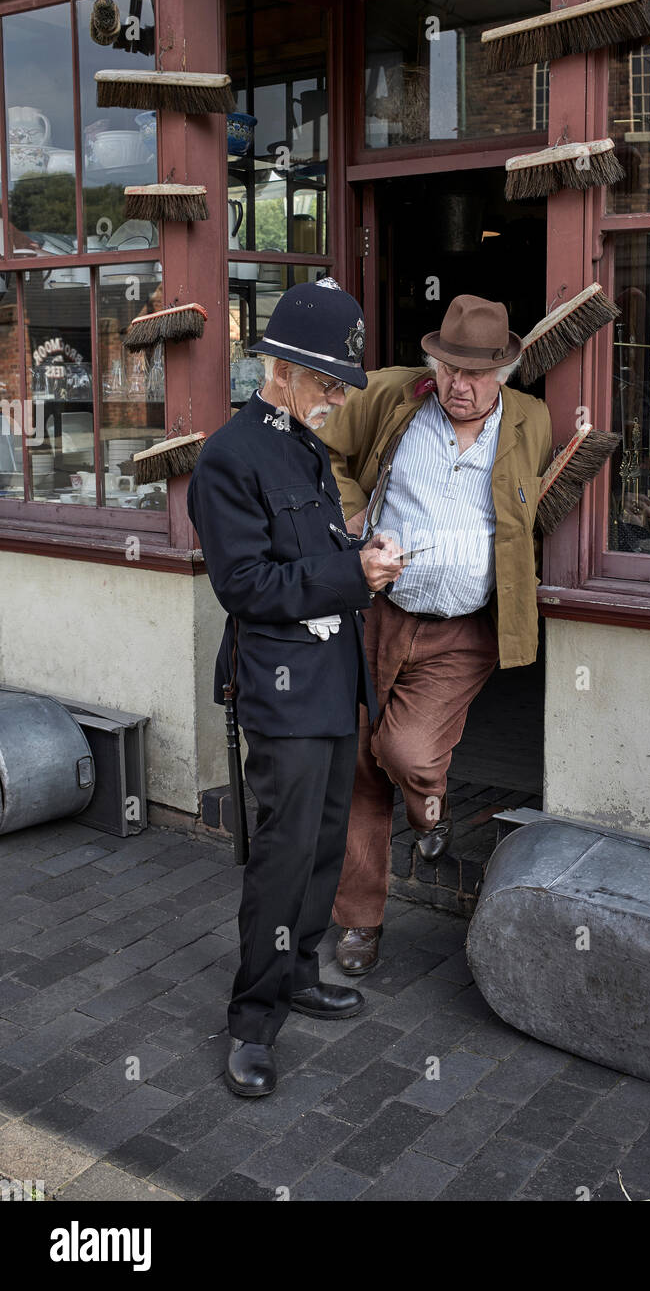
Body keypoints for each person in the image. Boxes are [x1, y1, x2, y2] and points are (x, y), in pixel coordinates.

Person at [186, 279, 403, 1097]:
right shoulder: (229, 456)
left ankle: (298, 969)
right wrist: (352, 572)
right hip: (279, 691)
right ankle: (253, 1021)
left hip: (329, 677)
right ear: (278, 369)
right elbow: (245, 584)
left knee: (323, 846)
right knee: (281, 859)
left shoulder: (304, 445)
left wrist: (354, 548)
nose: (337, 399)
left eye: (342, 385)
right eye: (326, 383)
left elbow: (300, 551)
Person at [318, 294, 552, 977]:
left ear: (502, 373)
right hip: (378, 614)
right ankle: (359, 923)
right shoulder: (394, 396)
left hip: (462, 630)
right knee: (359, 761)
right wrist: (355, 513)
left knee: (407, 750)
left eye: (475, 373)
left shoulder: (531, 422)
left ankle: (430, 812)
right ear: (434, 363)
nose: (459, 384)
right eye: (449, 368)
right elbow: (323, 449)